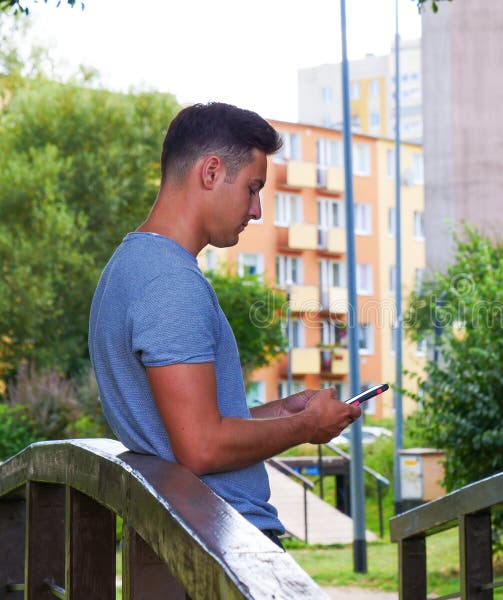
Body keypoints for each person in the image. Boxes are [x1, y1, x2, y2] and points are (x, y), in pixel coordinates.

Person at [88, 102, 361, 548]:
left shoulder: (130, 265)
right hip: (224, 542)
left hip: (192, 536)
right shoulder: (171, 283)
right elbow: (201, 446)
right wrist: (307, 428)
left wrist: (283, 412)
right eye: (253, 189)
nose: (256, 210)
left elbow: (181, 428)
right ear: (211, 172)